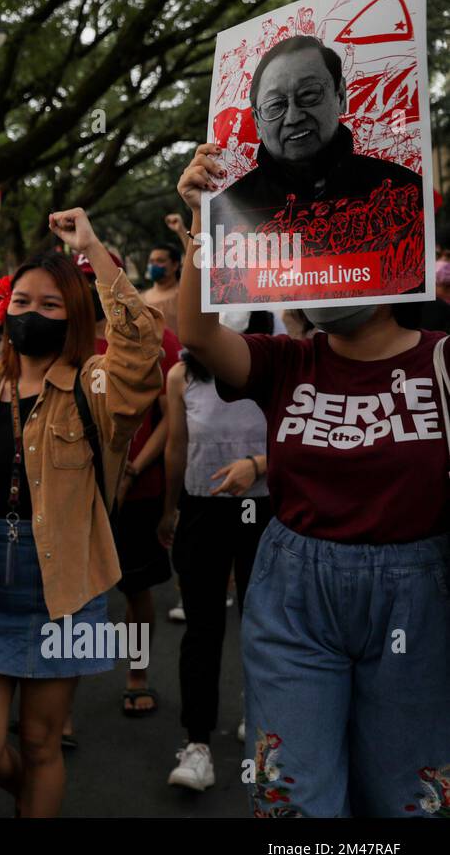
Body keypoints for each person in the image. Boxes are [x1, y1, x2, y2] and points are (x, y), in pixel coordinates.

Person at [177, 142, 450, 817]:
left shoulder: (445, 362)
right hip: (295, 594)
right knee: (290, 799)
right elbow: (200, 335)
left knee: (410, 798)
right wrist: (206, 226)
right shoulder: (286, 362)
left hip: (418, 601)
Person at [0, 207, 164, 817]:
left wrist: (94, 251)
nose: (30, 314)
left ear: (75, 317)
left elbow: (142, 352)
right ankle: (32, 799)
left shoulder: (94, 384)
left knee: (41, 743)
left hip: (68, 591)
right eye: (22, 302)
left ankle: (38, 800)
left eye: (51, 306)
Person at [157, 310, 273, 792]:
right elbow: (176, 446)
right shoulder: (182, 375)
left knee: (263, 622)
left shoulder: (276, 370)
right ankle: (197, 743)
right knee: (202, 627)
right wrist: (169, 510)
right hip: (202, 510)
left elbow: (301, 440)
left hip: (265, 509)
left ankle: (261, 716)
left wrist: (257, 465)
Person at [80, 252, 181, 718]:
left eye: (96, 279)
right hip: (76, 492)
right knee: (73, 594)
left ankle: (136, 674)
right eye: (80, 280)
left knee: (136, 589)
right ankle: (61, 697)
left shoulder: (157, 338)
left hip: (139, 490)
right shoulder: (66, 340)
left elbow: (168, 419)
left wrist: (132, 470)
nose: (89, 289)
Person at [208, 36, 422, 239]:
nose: (293, 117)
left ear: (340, 96)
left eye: (309, 94)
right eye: (275, 105)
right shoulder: (225, 210)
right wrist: (200, 214)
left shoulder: (405, 191)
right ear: (257, 122)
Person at [142, 243, 182, 334]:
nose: (154, 265)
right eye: (151, 261)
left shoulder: (184, 294)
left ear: (175, 265)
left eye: (160, 261)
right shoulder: (141, 298)